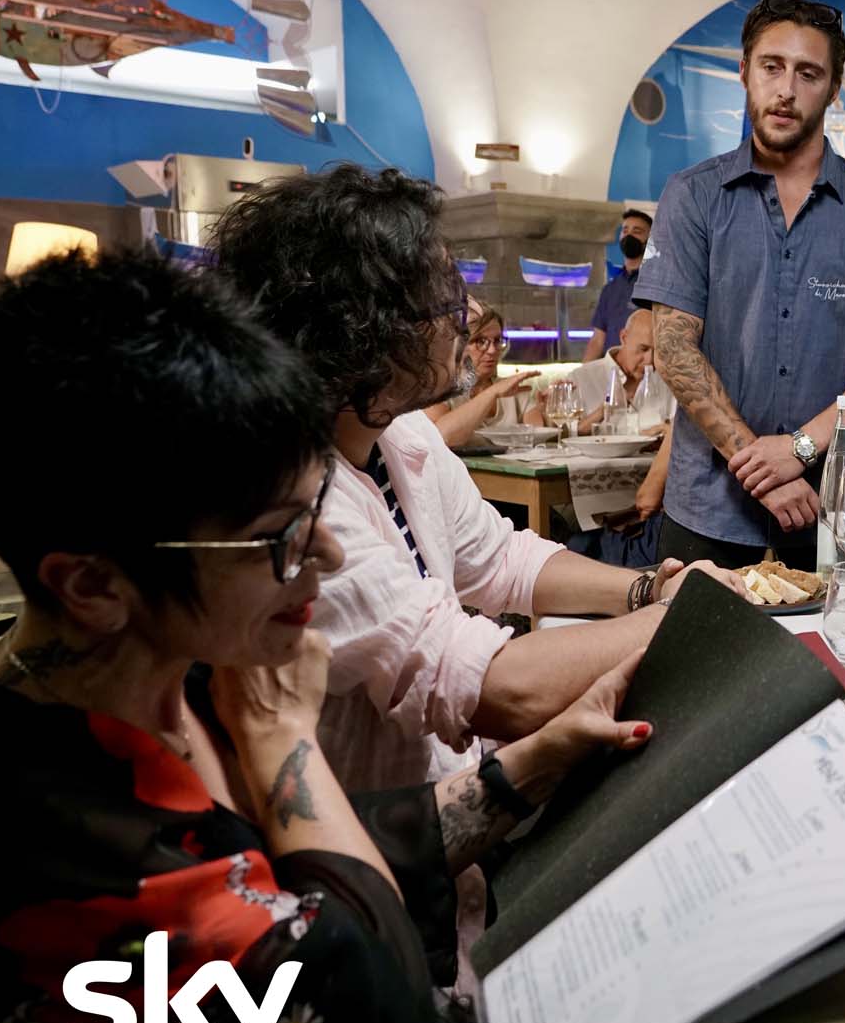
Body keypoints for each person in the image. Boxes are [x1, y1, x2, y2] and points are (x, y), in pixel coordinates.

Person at [0, 250, 651, 1023]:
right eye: (277, 536)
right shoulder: (17, 839)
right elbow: (377, 1008)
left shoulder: (172, 671)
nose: (327, 550)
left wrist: (532, 763)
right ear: (92, 585)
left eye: (316, 507)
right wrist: (285, 748)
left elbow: (288, 863)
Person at [206, 164, 735, 794]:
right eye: (448, 297)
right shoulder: (296, 502)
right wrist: (699, 615)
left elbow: (501, 559)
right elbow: (492, 687)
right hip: (384, 856)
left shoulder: (400, 434)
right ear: (363, 333)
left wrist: (648, 590)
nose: (475, 313)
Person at [637, 0, 845, 570]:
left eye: (809, 73)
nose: (786, 90)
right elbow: (673, 349)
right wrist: (762, 468)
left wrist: (800, 449)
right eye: (772, 66)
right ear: (744, 70)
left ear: (833, 88)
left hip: (837, 511)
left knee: (842, 663)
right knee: (700, 663)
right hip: (707, 510)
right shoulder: (692, 195)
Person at [526, 308, 674, 437]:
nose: (650, 360)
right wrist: (542, 410)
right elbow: (556, 432)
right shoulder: (582, 378)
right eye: (643, 349)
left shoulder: (668, 382)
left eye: (658, 351)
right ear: (624, 337)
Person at [424, 298, 538, 448]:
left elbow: (538, 437)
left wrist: (546, 411)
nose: (492, 350)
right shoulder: (440, 389)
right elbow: (442, 437)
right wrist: (492, 393)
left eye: (497, 340)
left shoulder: (514, 389)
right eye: (480, 341)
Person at [583, 208, 653, 361]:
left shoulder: (656, 286)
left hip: (643, 370)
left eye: (637, 231)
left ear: (649, 240)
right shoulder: (610, 289)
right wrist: (583, 376)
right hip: (611, 372)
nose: (629, 235)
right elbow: (598, 339)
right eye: (625, 230)